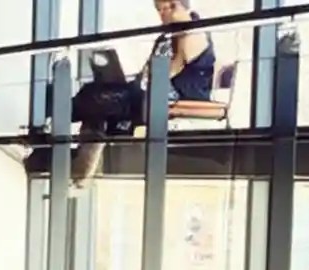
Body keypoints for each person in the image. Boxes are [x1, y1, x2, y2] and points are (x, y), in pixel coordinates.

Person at [44, 0, 215, 184]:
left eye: (166, 8)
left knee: (100, 98)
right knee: (99, 95)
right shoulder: (168, 34)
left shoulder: (193, 33)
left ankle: (53, 115)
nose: (162, 14)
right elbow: (150, 70)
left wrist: (140, 84)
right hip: (151, 92)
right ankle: (81, 152)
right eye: (159, 10)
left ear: (177, 5)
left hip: (175, 97)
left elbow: (170, 69)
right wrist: (136, 82)